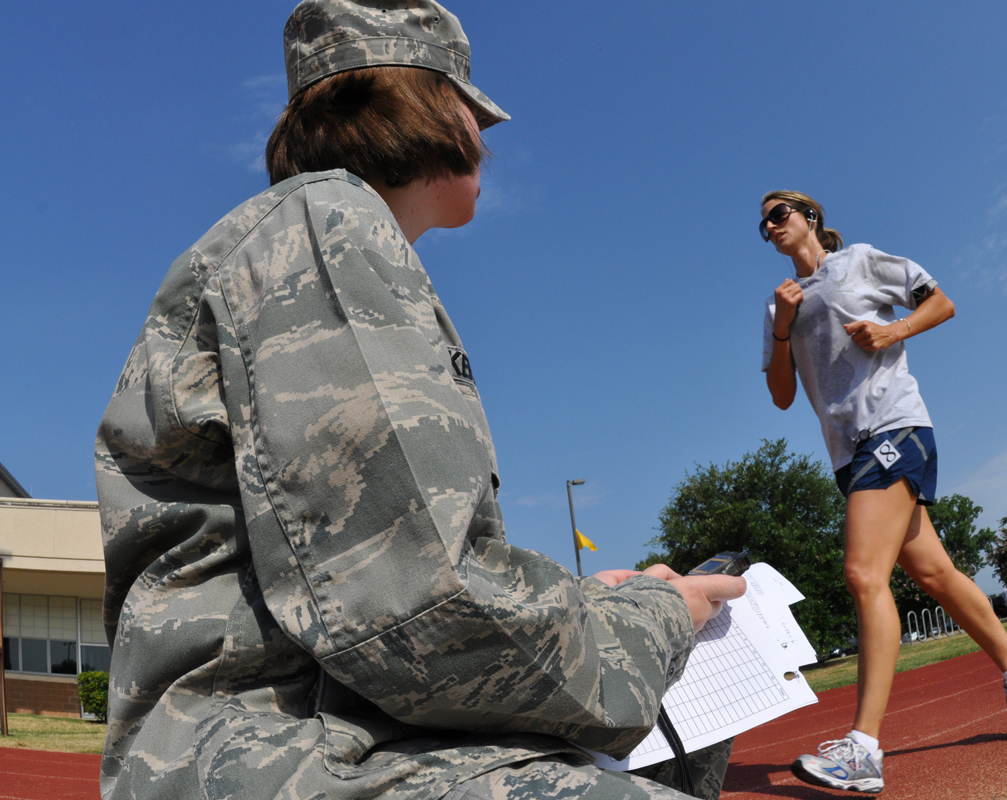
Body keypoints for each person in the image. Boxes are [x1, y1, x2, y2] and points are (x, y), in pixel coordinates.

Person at [93, 3, 744, 799]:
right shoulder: (327, 224)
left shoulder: (313, 234)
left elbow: (383, 576)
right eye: (473, 108)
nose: (487, 136)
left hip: (314, 727)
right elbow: (419, 613)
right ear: (427, 104)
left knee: (683, 743)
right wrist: (660, 614)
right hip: (276, 747)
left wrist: (581, 603)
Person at [758, 191, 1007, 794]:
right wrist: (784, 330)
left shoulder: (860, 262)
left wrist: (893, 333)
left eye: (778, 212)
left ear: (809, 216)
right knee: (935, 575)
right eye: (762, 223)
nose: (770, 225)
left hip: (893, 426)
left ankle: (863, 750)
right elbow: (783, 396)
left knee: (864, 575)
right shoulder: (777, 305)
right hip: (848, 453)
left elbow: (939, 302)